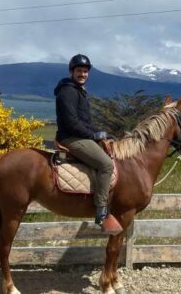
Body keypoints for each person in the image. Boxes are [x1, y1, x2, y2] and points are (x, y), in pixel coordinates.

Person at [54, 54, 122, 235]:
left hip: (79, 135)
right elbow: (71, 123)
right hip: (71, 138)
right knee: (106, 164)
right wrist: (93, 135)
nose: (82, 74)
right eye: (79, 71)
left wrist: (101, 133)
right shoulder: (68, 91)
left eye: (85, 71)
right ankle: (101, 209)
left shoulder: (78, 91)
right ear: (71, 72)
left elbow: (84, 121)